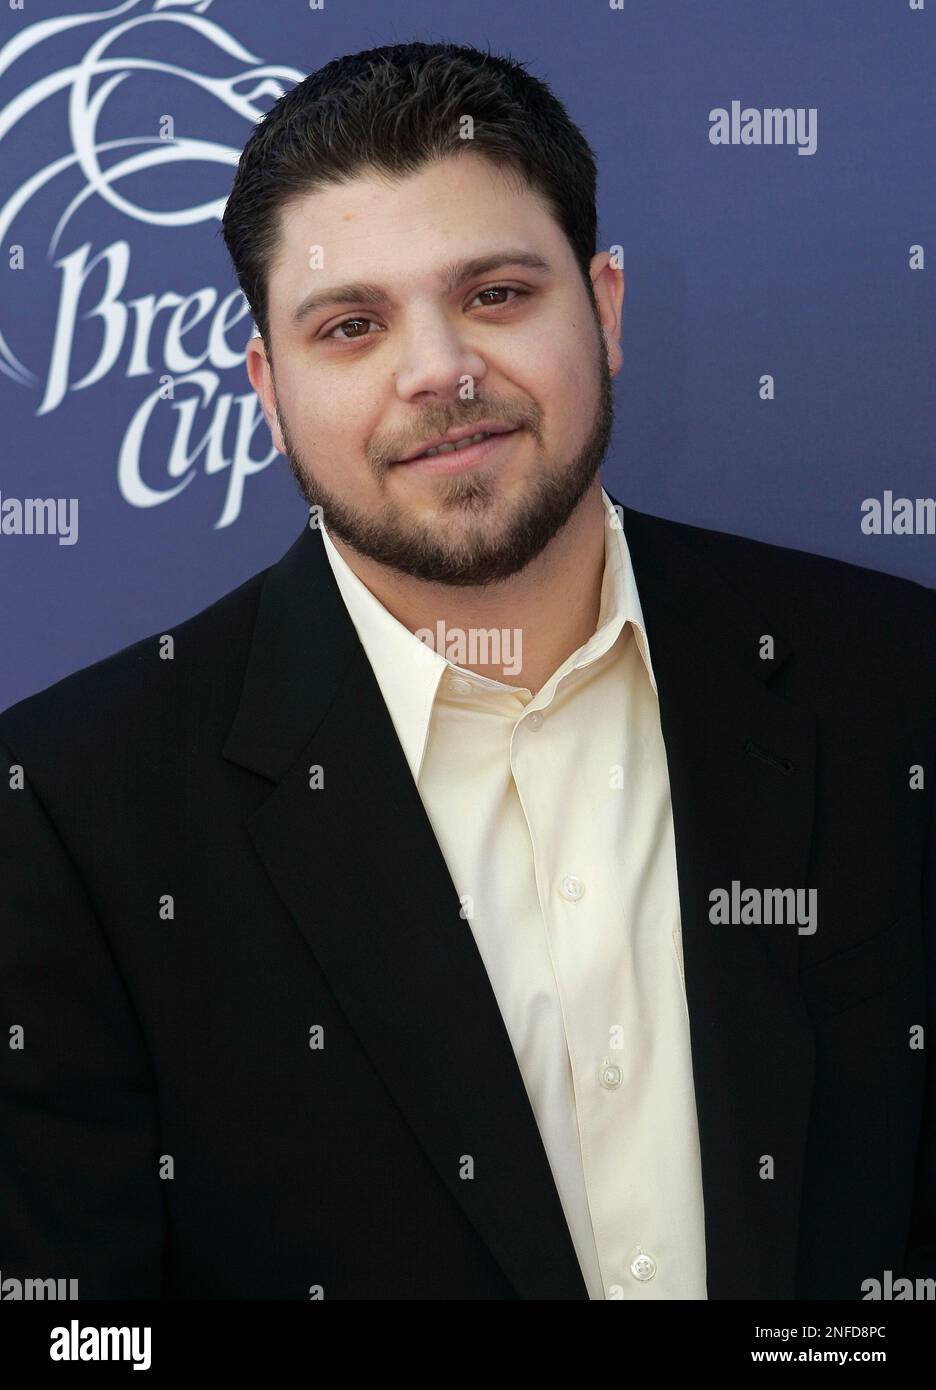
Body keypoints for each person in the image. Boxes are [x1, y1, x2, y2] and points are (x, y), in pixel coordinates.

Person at [1, 41, 934, 1301]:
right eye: (351, 325)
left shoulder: (893, 681)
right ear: (268, 392)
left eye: (495, 294)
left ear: (603, 309)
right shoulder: (69, 807)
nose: (439, 369)